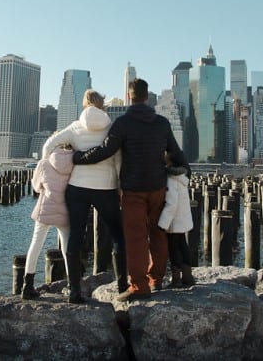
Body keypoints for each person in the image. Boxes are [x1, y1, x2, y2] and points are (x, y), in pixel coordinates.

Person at [74, 78, 189, 302]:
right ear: (147, 97)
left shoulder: (123, 123)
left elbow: (105, 151)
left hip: (133, 190)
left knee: (136, 238)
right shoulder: (162, 123)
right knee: (158, 233)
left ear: (129, 96)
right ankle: (157, 279)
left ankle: (139, 286)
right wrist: (187, 170)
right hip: (157, 187)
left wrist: (79, 158)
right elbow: (176, 152)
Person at [42, 89, 125, 303]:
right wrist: (119, 186)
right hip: (106, 188)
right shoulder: (110, 127)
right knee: (117, 235)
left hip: (77, 187)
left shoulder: (75, 127)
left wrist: (47, 170)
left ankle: (74, 290)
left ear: (85, 104)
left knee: (75, 236)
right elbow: (117, 159)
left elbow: (48, 145)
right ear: (102, 104)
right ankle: (123, 286)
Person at [20, 145, 73, 300]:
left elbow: (36, 187)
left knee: (35, 245)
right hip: (64, 211)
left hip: (45, 210)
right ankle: (71, 285)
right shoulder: (73, 163)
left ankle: (27, 286)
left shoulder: (44, 163)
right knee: (66, 248)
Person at [157, 161, 195, 288]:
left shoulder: (170, 181)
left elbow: (171, 205)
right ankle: (188, 276)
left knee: (173, 250)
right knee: (183, 246)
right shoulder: (181, 179)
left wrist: (162, 224)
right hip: (182, 220)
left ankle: (176, 279)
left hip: (173, 222)